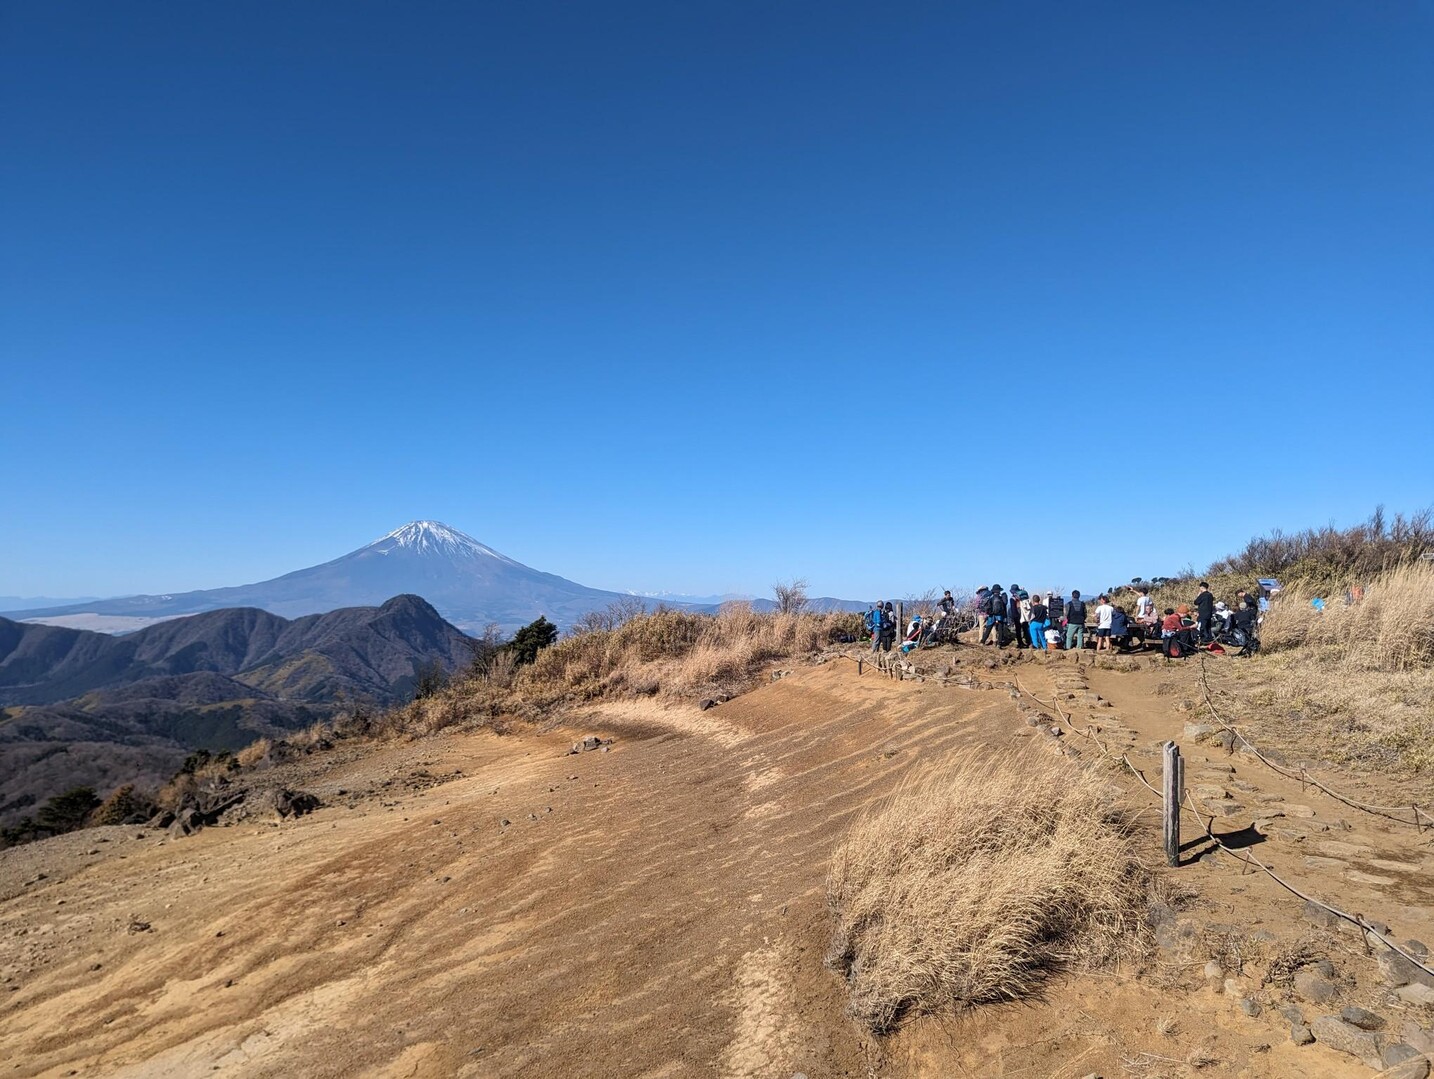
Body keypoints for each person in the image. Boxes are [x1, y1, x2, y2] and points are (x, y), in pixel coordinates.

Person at [1009, 586, 1027, 651]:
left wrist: (1014, 617)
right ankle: (1028, 642)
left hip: (1017, 615)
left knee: (1018, 630)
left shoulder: (1012, 598)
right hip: (1024, 614)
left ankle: (1020, 643)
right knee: (1025, 628)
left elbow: (1013, 609)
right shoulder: (1023, 596)